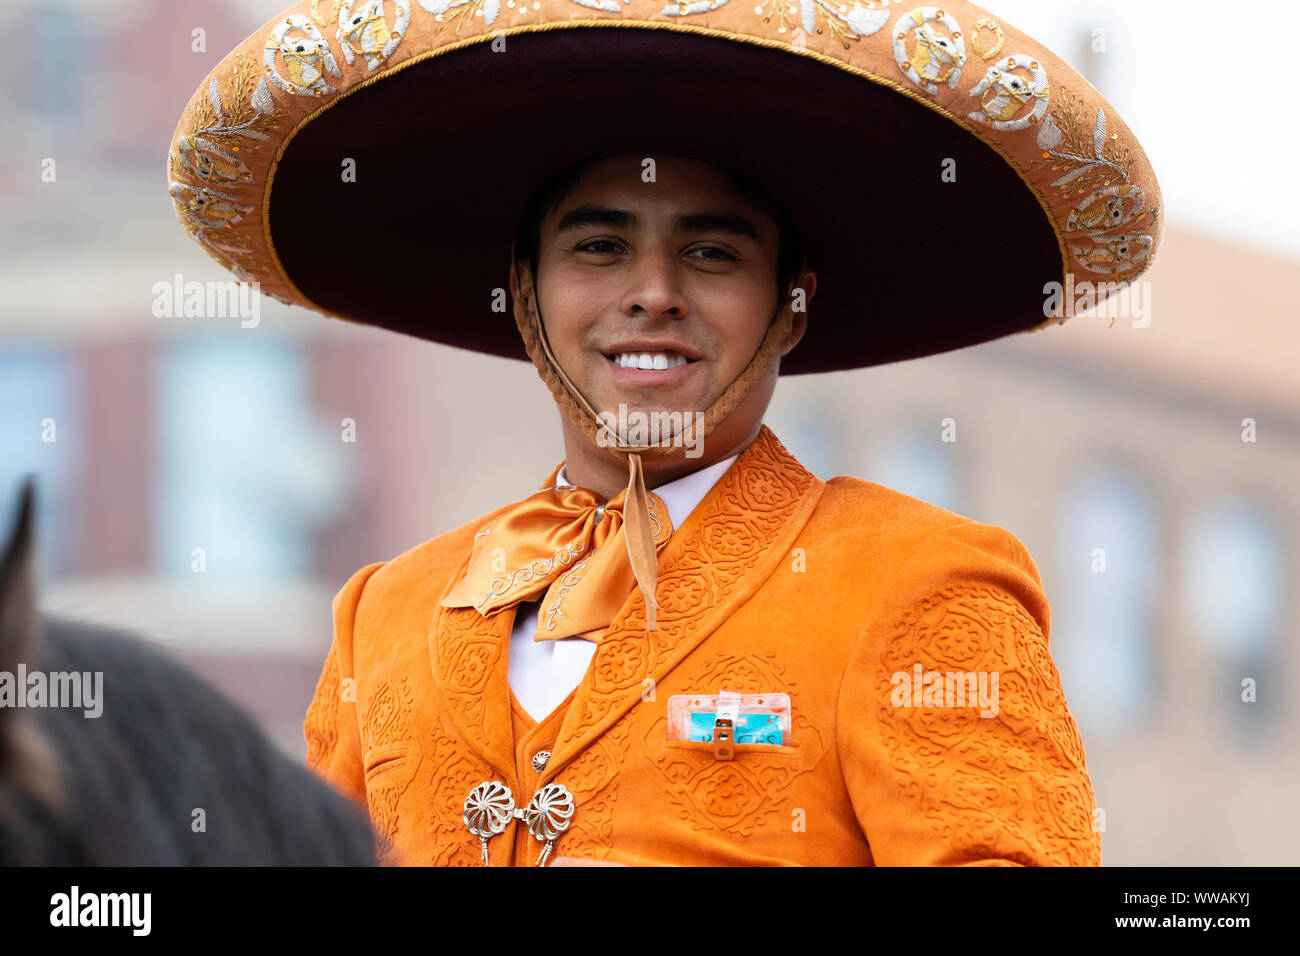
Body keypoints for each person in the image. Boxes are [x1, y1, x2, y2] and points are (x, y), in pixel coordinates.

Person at [168, 0, 1162, 866]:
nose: (651, 294)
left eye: (710, 251)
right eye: (599, 246)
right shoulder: (381, 613)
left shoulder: (919, 583)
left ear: (792, 306)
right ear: (522, 298)